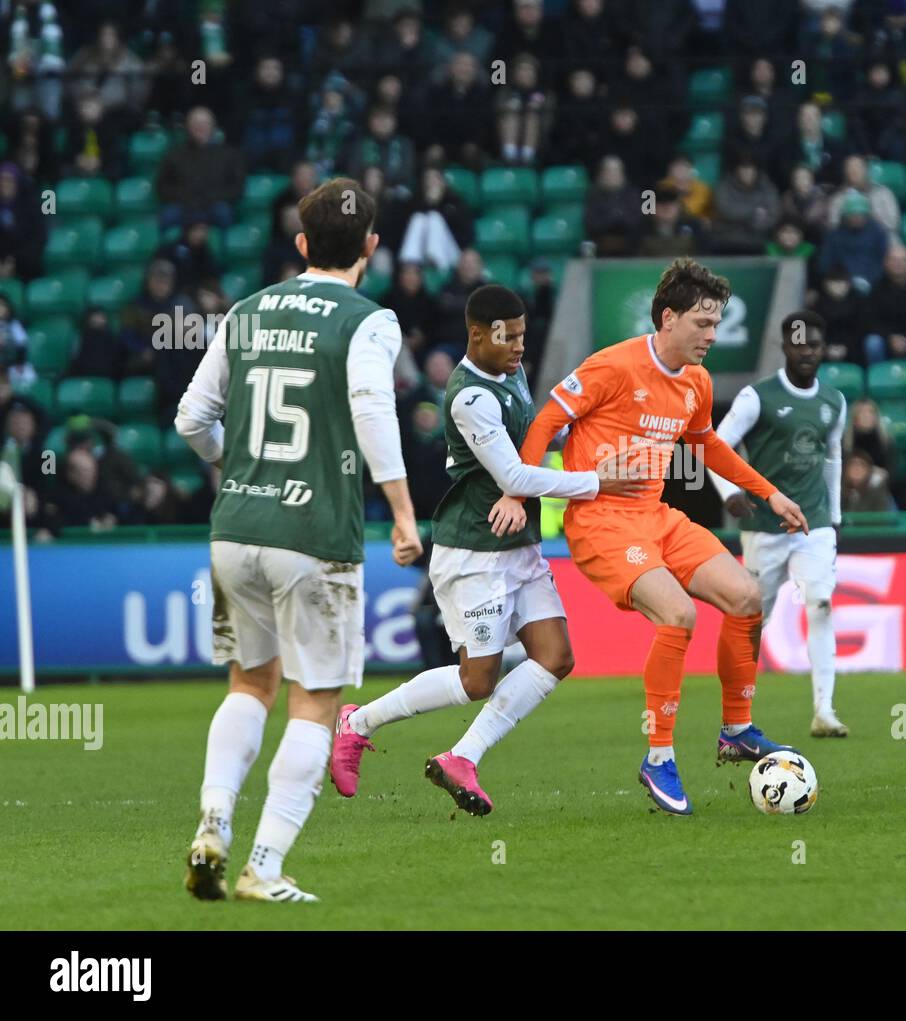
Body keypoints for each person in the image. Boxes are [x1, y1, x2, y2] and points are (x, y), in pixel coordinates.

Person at [174, 178, 423, 903]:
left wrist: (242, 464)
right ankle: (266, 864)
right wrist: (402, 510)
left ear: (302, 243)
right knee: (315, 700)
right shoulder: (369, 321)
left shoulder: (245, 313)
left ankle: (212, 818)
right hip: (314, 533)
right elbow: (374, 406)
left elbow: (193, 418)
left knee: (250, 683)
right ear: (371, 247)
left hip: (236, 527)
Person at [329, 285, 646, 815]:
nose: (521, 346)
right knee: (477, 680)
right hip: (473, 553)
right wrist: (596, 481)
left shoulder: (513, 372)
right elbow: (515, 471)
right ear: (477, 334)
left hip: (517, 547)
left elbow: (523, 450)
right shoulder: (470, 398)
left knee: (556, 657)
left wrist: (518, 491)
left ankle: (462, 756)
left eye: (524, 334)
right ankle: (357, 722)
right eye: (509, 336)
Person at [513, 258, 809, 815]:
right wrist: (518, 489)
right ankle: (658, 757)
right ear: (667, 318)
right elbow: (547, 420)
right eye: (703, 323)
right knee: (679, 615)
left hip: (655, 515)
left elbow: (707, 445)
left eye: (718, 324)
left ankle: (737, 729)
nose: (712, 336)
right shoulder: (614, 366)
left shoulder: (695, 381)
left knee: (746, 597)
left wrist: (770, 494)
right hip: (600, 520)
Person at [710, 310, 847, 737]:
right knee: (754, 618)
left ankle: (824, 710)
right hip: (765, 527)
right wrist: (729, 493)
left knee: (821, 604)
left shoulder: (834, 401)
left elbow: (832, 457)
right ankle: (736, 712)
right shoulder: (758, 397)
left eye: (815, 345)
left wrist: (835, 515)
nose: (808, 352)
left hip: (814, 524)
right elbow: (714, 446)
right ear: (784, 348)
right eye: (800, 344)